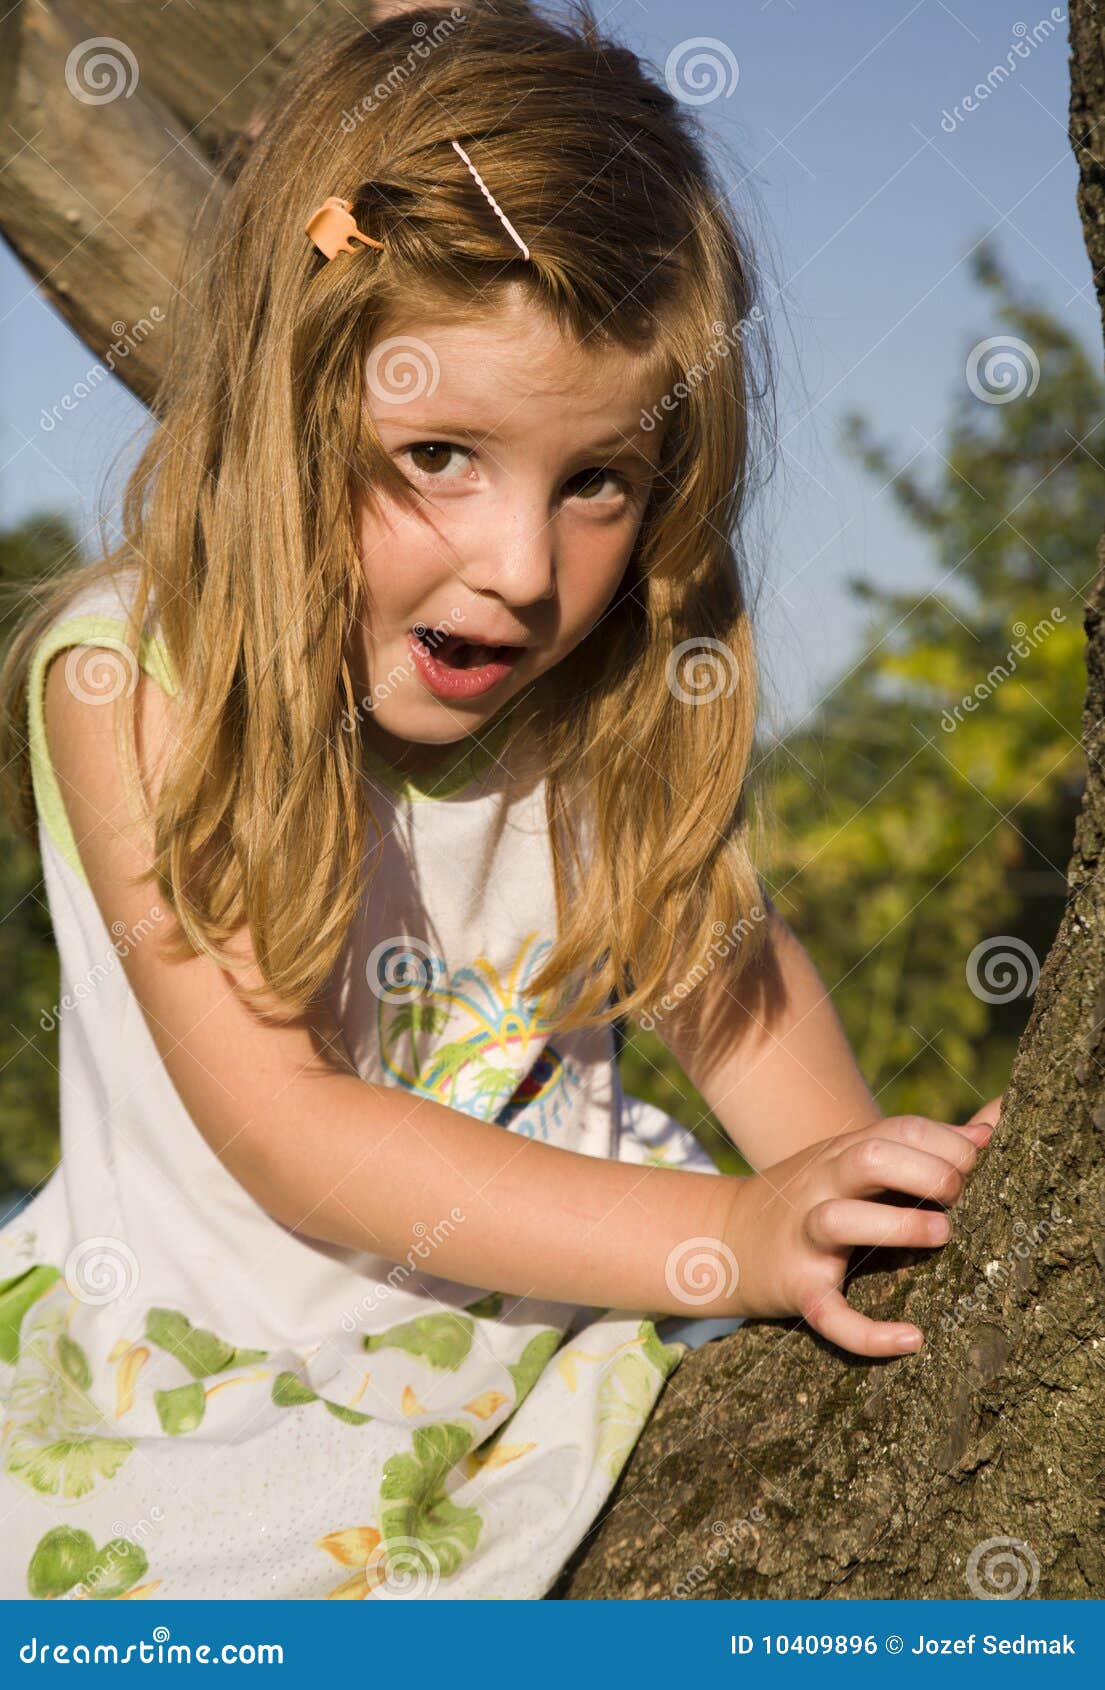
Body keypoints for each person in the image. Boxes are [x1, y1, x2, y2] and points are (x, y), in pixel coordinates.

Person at [0, 1, 1001, 1601]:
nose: (524, 572)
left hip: (562, 1340)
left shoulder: (596, 698)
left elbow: (724, 975)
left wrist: (842, 1183)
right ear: (284, 402)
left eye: (596, 478)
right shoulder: (128, 679)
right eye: (440, 453)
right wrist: (729, 1233)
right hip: (218, 1391)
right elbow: (291, 1129)